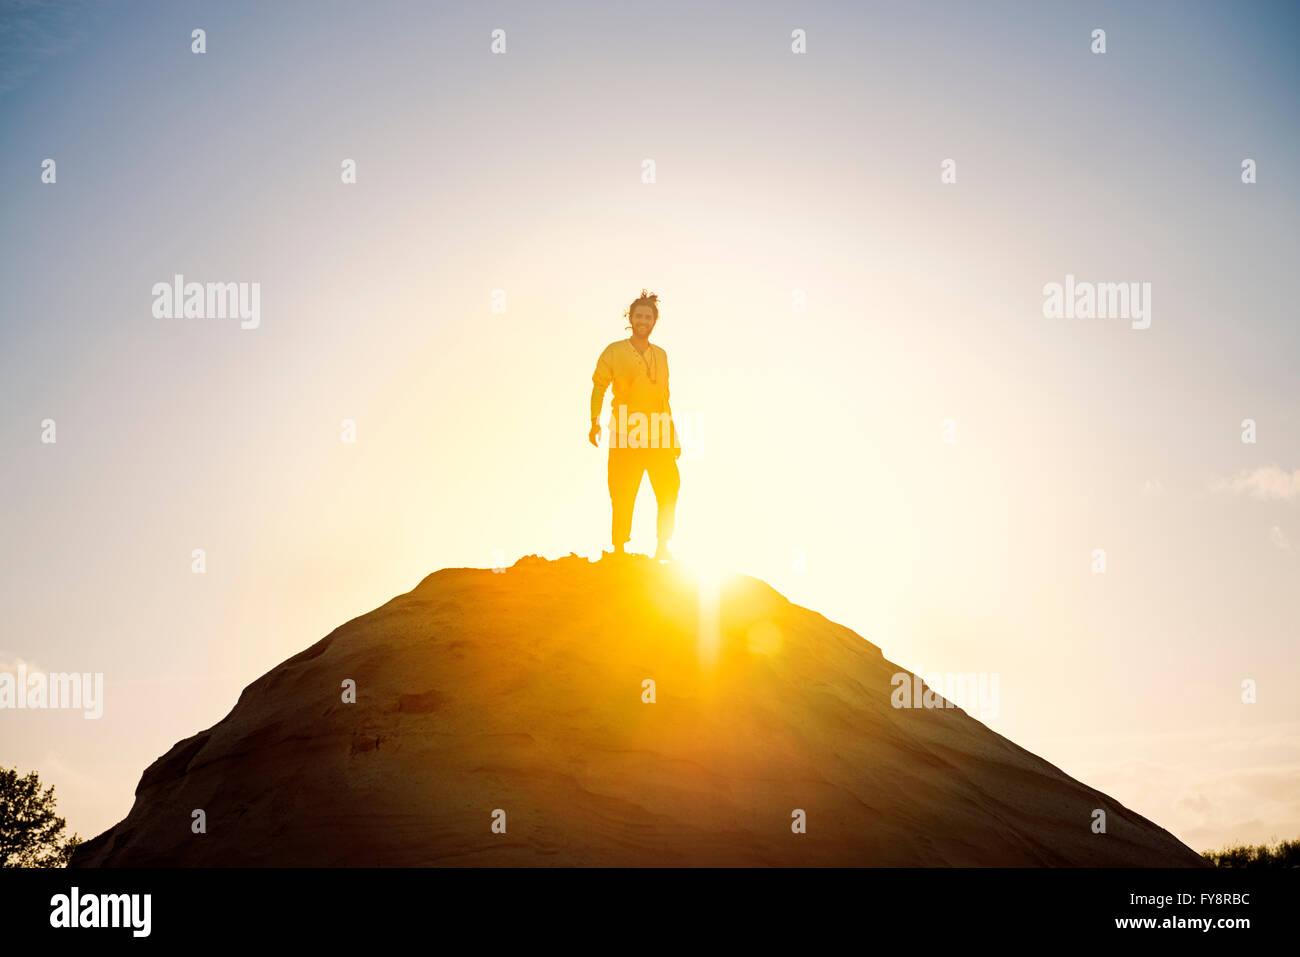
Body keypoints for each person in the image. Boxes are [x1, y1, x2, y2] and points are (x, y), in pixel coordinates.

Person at [589, 289, 681, 560]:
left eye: (648, 316)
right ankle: (618, 548)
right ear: (630, 318)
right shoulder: (614, 351)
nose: (643, 320)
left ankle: (663, 545)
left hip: (659, 434)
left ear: (655, 321)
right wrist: (595, 421)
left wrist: (673, 436)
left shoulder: (662, 355)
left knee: (670, 487)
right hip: (625, 432)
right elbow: (598, 386)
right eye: (638, 316)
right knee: (622, 488)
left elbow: (664, 398)